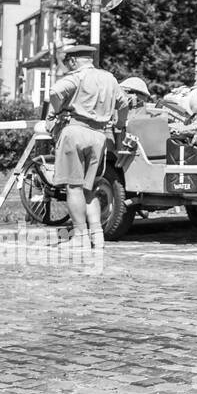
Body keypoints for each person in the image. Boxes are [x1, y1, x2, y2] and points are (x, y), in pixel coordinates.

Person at [47, 45, 129, 254]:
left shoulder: (78, 77)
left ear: (73, 61)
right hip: (99, 136)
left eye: (68, 63)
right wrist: (120, 125)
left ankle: (79, 237)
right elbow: (124, 104)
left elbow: (55, 91)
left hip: (76, 131)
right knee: (89, 188)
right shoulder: (109, 78)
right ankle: (97, 236)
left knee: (73, 188)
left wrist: (58, 110)